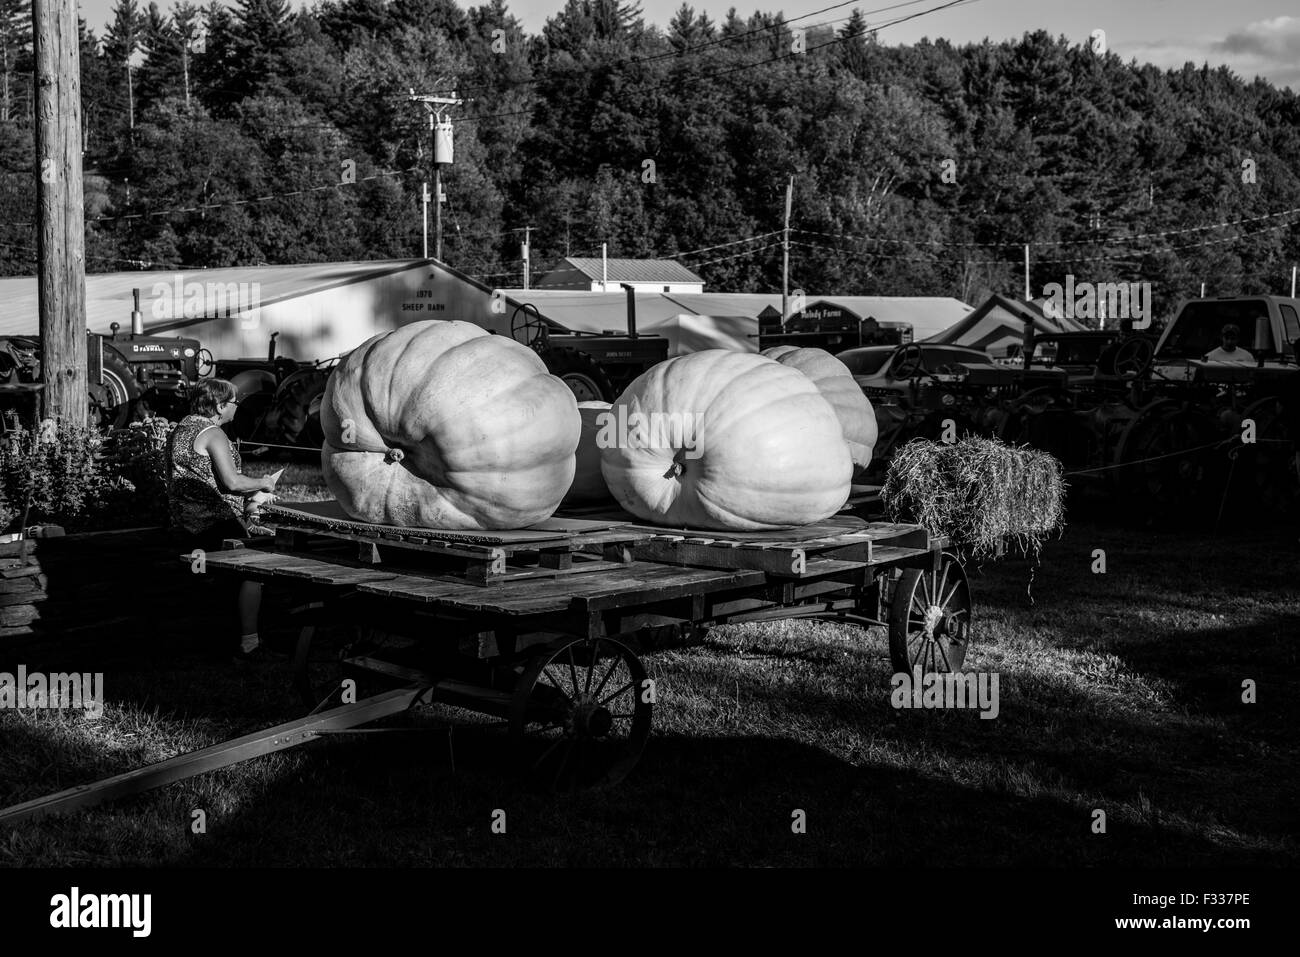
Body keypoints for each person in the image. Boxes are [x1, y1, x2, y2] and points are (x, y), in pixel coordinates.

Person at [167, 379, 280, 664]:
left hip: (186, 521)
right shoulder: (213, 432)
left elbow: (201, 476)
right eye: (234, 402)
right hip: (214, 521)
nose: (236, 407)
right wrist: (263, 483)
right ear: (219, 406)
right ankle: (250, 642)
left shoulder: (180, 428)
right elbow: (231, 482)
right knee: (253, 569)